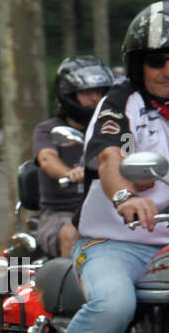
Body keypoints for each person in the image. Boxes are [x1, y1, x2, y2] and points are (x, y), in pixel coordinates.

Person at [38, 0, 169, 333]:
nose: (168, 69)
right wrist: (125, 199)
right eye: (157, 59)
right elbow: (109, 160)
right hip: (116, 242)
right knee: (114, 302)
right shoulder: (119, 105)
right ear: (138, 65)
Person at [32, 56, 115, 258]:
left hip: (110, 210)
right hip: (62, 214)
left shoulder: (112, 129)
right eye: (87, 92)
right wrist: (69, 172)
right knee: (74, 234)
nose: (95, 98)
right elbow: (46, 158)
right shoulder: (49, 129)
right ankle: (72, 288)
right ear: (68, 94)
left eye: (100, 91)